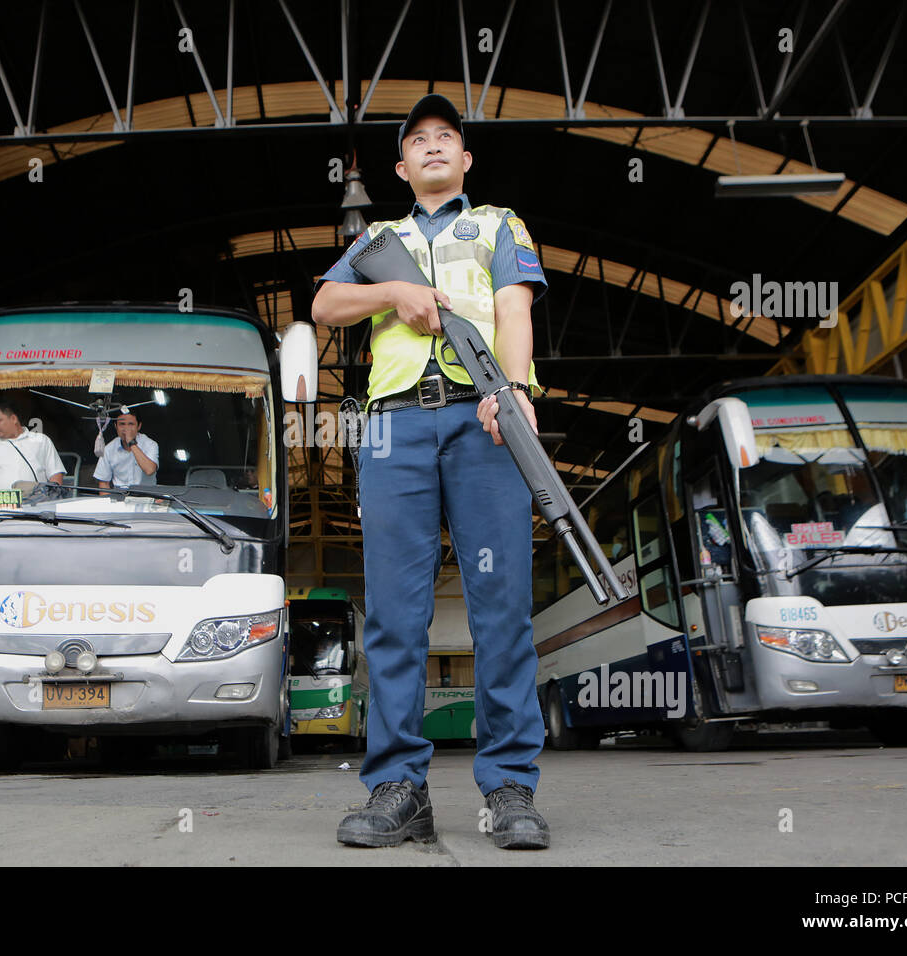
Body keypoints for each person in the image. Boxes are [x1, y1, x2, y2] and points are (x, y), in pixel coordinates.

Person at [312, 94, 551, 850]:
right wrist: (393, 291)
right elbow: (324, 306)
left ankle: (510, 786)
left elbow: (515, 310)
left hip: (484, 419)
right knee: (393, 614)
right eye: (419, 141)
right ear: (401, 165)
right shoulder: (378, 238)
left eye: (447, 138)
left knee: (503, 605)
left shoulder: (500, 223)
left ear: (467, 159)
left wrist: (511, 392)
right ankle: (398, 787)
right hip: (394, 428)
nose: (434, 147)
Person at [0, 401, 67, 491]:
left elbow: (56, 474)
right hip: (0, 506)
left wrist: (51, 498)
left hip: (36, 504)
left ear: (13, 419)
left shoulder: (41, 440)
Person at [94, 411, 159, 489]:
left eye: (131, 424)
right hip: (120, 497)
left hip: (147, 496)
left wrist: (131, 443)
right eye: (122, 424)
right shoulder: (109, 449)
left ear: (139, 426)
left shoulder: (150, 444)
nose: (126, 429)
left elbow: (150, 470)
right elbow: (103, 483)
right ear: (116, 426)